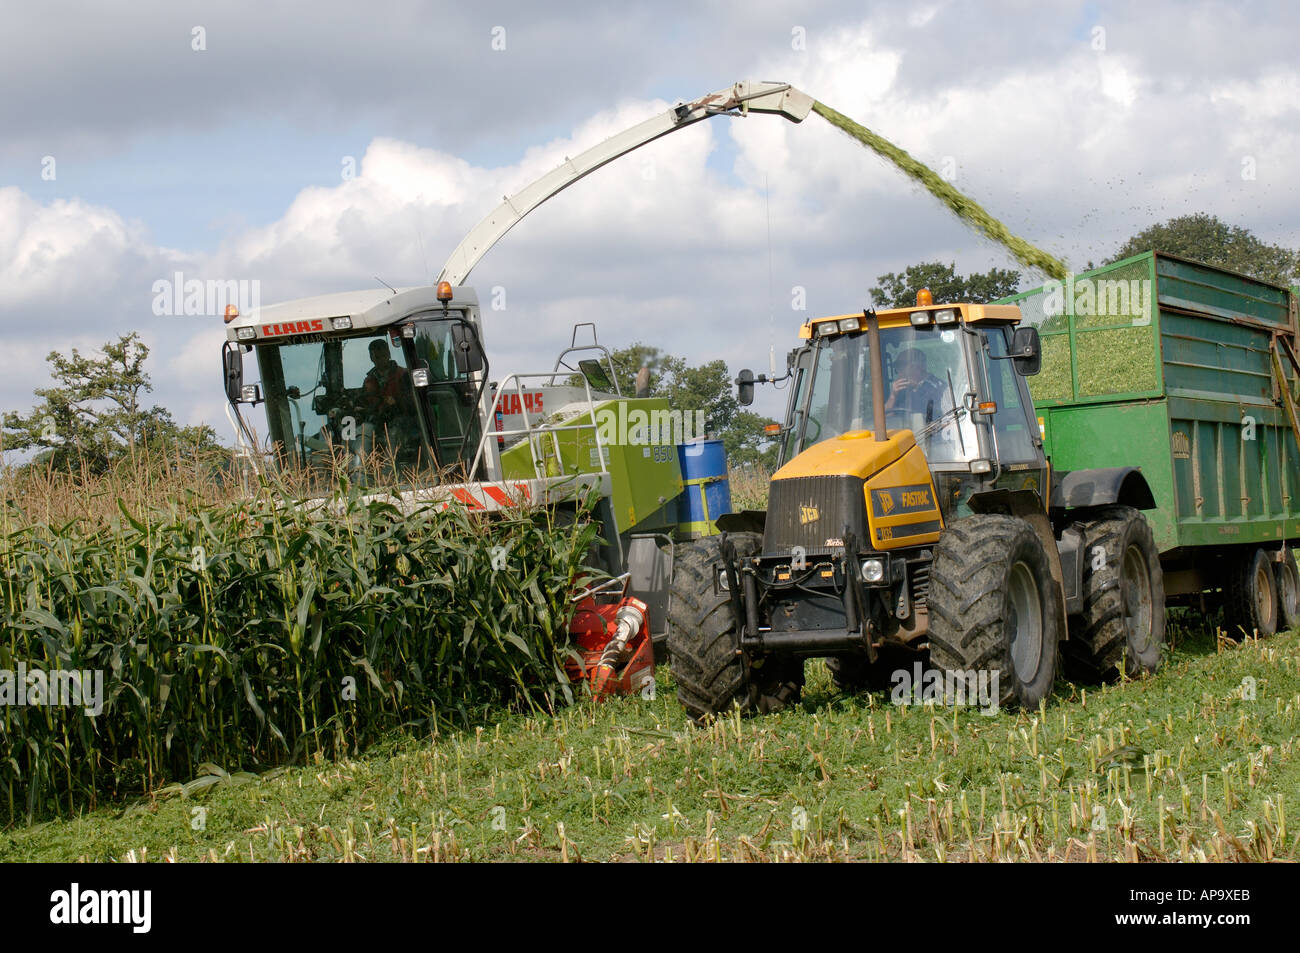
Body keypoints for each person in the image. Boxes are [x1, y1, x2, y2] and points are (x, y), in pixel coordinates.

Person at [885, 347, 946, 420]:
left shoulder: (939, 388)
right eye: (897, 368)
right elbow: (885, 420)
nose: (898, 372)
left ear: (917, 366)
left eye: (900, 366)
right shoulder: (900, 391)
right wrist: (893, 396)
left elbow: (948, 419)